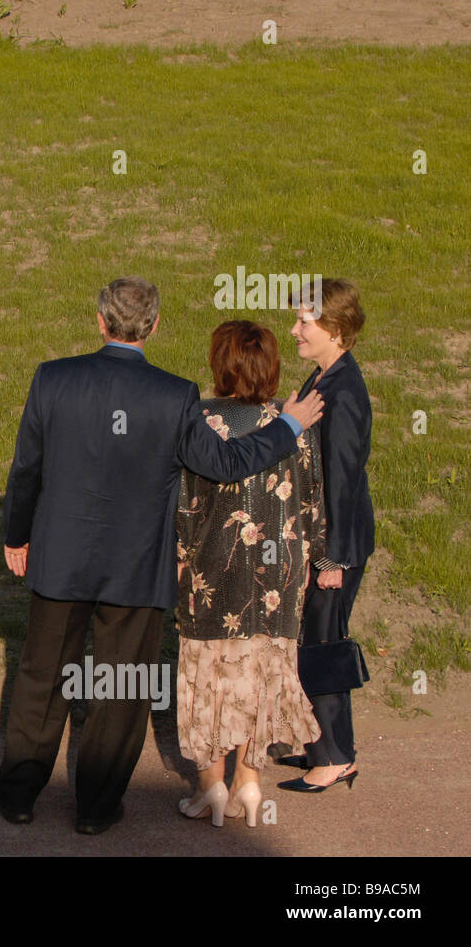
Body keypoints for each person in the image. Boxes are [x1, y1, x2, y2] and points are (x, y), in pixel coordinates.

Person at [0, 277, 324, 835]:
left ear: (101, 321)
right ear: (154, 326)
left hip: (60, 559)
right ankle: (96, 808)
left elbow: (27, 469)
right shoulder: (175, 396)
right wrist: (288, 426)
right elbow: (224, 463)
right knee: (121, 688)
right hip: (137, 567)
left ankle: (18, 796)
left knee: (41, 676)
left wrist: (16, 536)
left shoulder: (53, 379)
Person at [174, 320, 324, 827]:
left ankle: (210, 787)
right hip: (278, 575)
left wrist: (175, 558)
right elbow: (312, 507)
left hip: (210, 571)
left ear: (221, 364)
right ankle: (250, 784)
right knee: (259, 674)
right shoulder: (296, 422)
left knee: (209, 678)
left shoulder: (200, 421)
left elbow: (184, 507)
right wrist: (313, 562)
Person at [277, 280, 373, 793]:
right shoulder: (326, 377)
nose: (294, 330)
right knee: (317, 637)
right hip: (329, 540)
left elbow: (342, 478)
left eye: (303, 323)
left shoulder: (343, 392)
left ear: (334, 330)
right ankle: (327, 747)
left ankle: (334, 757)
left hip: (337, 544)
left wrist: (333, 557)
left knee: (323, 641)